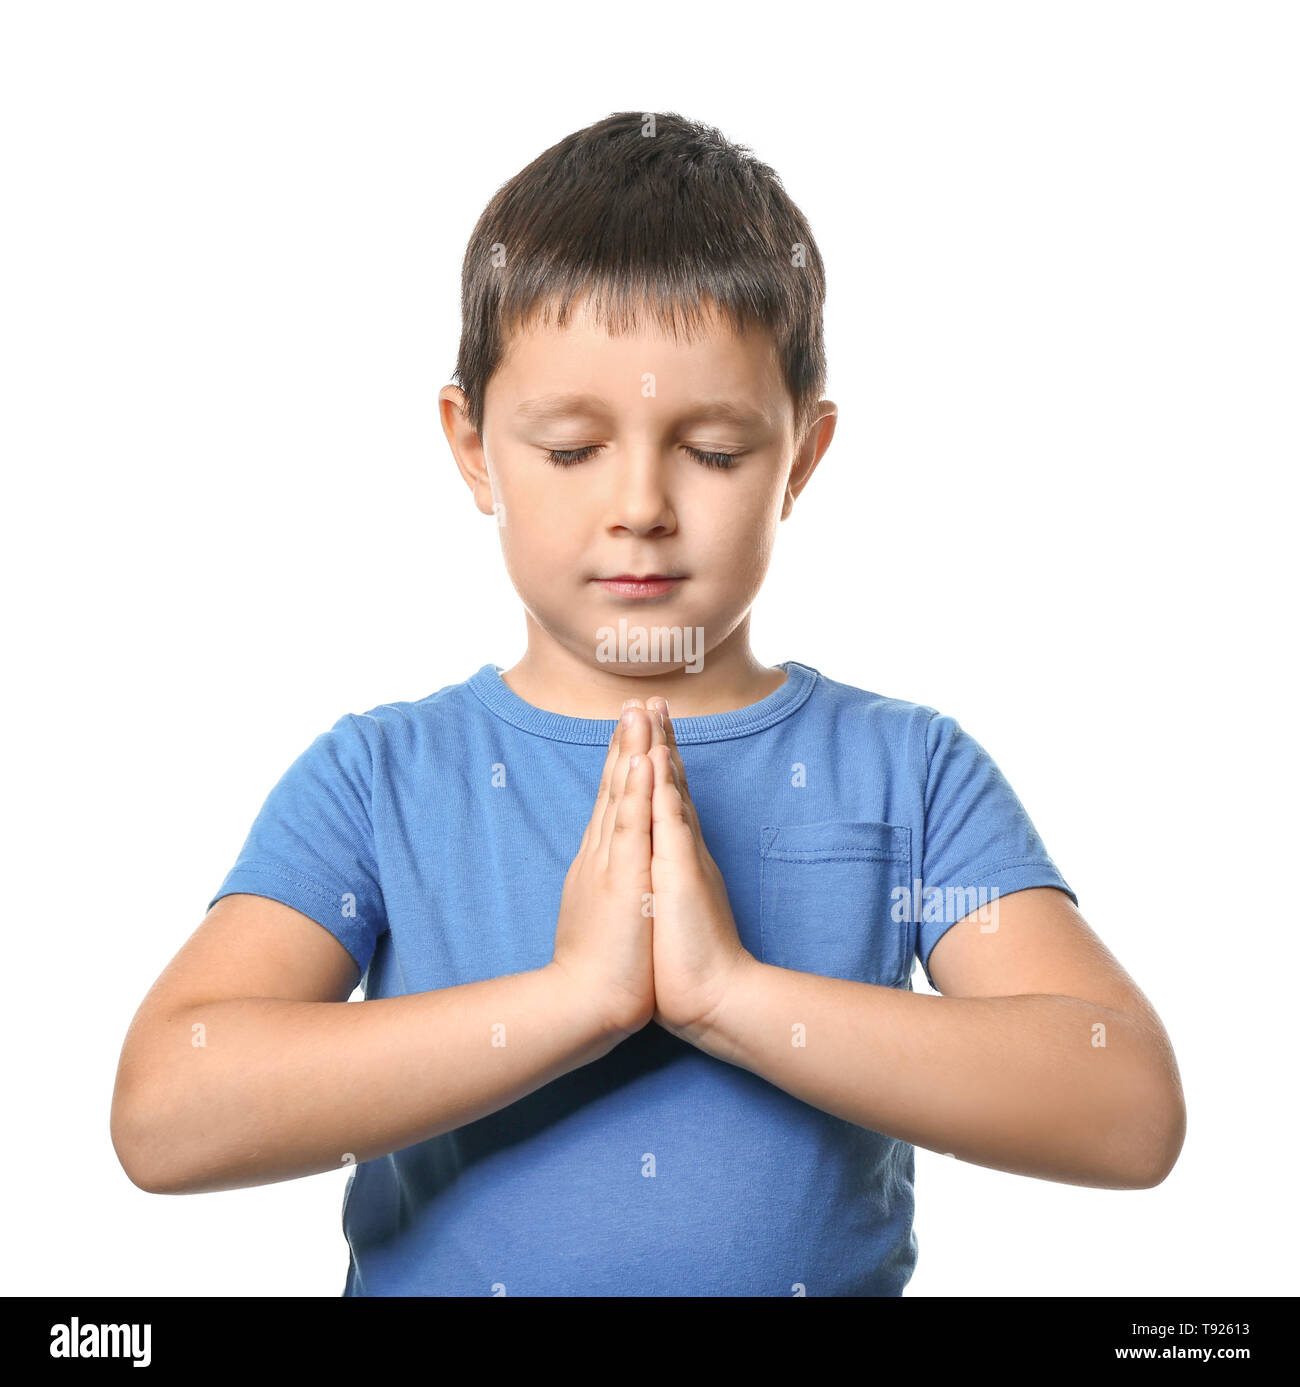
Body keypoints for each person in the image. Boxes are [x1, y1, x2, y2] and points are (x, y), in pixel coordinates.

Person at [109, 110, 1185, 1296]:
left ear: (802, 457)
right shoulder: (379, 777)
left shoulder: (909, 771)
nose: (639, 506)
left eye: (714, 452)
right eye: (570, 447)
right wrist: (574, 1002)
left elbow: (1123, 1105)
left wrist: (731, 996)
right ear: (472, 448)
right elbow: (167, 1112)